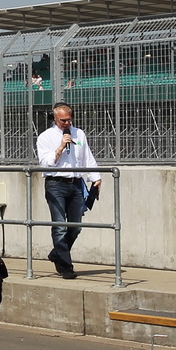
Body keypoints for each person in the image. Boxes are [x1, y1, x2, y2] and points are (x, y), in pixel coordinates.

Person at [35, 102, 101, 279]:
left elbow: (87, 156)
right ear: (55, 118)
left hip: (75, 183)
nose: (66, 124)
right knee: (60, 226)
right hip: (56, 184)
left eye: (69, 120)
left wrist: (96, 178)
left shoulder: (78, 134)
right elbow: (45, 163)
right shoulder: (46, 137)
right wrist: (60, 148)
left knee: (76, 226)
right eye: (62, 120)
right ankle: (65, 266)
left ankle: (57, 252)